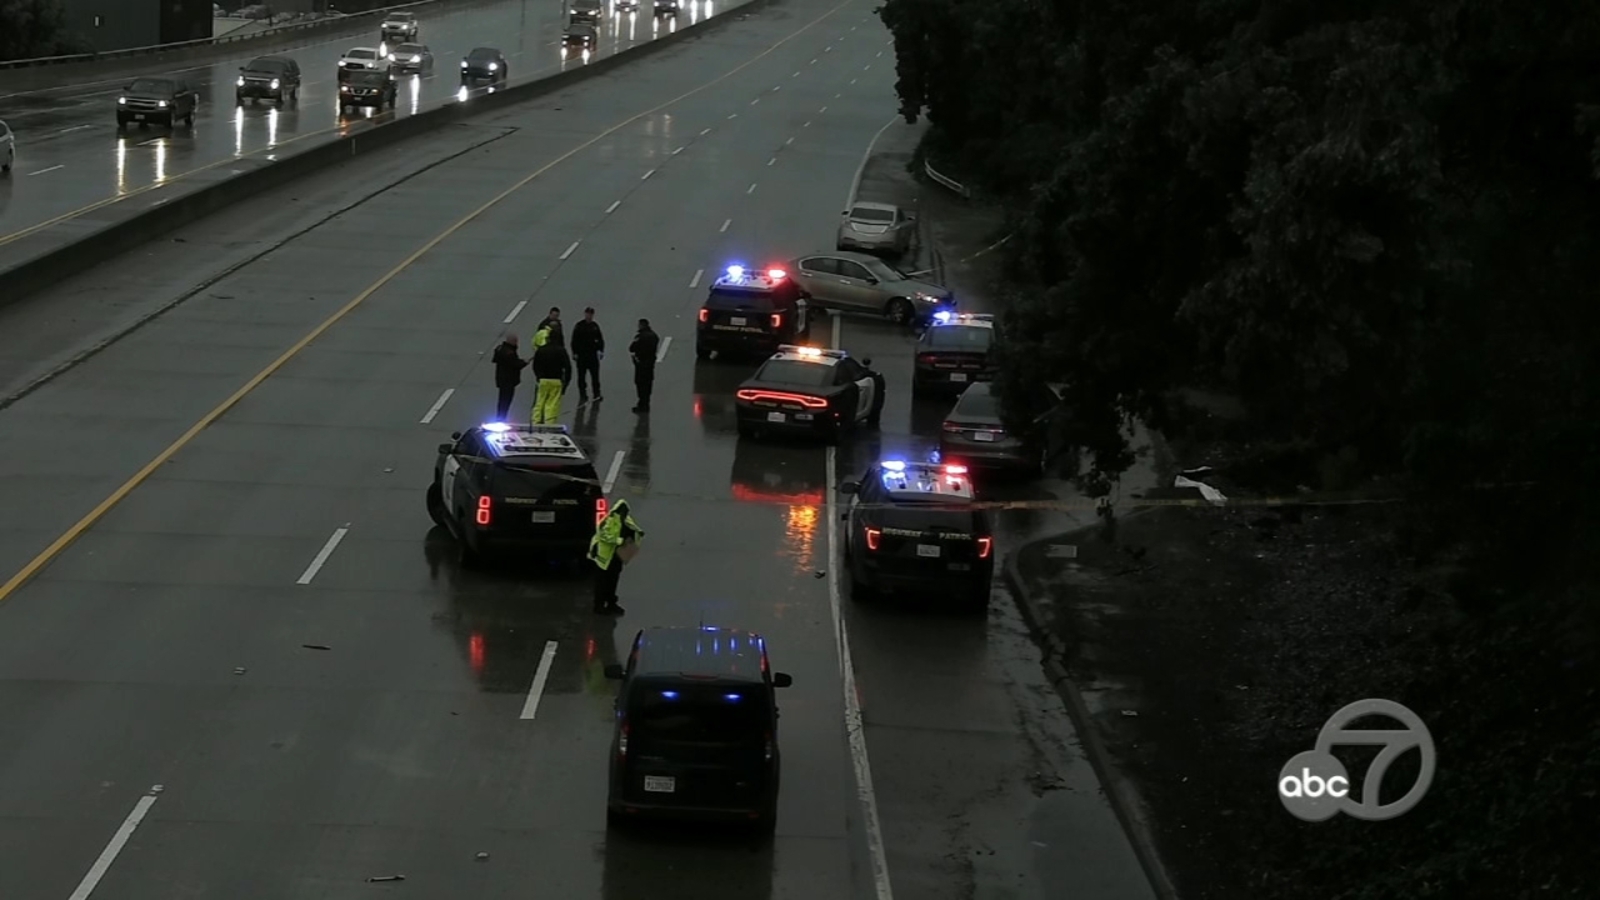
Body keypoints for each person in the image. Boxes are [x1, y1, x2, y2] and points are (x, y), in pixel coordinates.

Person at [588, 498, 643, 614]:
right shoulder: (609, 520)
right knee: (602, 582)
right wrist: (619, 541)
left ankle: (611, 603)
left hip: (616, 557)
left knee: (612, 580)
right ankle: (599, 605)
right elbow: (604, 534)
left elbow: (634, 529)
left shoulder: (626, 520)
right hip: (604, 557)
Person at [529, 325, 572, 424]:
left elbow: (535, 366)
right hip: (556, 380)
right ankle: (549, 423)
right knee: (553, 404)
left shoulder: (541, 350)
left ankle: (536, 421)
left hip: (543, 380)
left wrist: (538, 377)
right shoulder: (561, 351)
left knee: (539, 402)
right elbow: (568, 368)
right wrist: (565, 383)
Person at [571, 307, 605, 403]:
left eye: (591, 314)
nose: (589, 316)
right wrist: (574, 353)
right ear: (585, 314)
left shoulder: (595, 326)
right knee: (581, 376)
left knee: (595, 376)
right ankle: (583, 394)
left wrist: (601, 350)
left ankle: (596, 394)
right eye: (588, 314)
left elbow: (600, 339)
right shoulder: (579, 326)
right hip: (582, 356)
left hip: (592, 355)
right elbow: (574, 341)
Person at [491, 333, 526, 420]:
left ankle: (500, 416)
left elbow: (495, 359)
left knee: (502, 400)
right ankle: (501, 418)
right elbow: (515, 364)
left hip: (501, 378)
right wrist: (524, 362)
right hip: (509, 380)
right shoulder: (509, 352)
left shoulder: (500, 349)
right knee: (506, 401)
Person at [629, 318, 660, 413]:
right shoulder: (654, 336)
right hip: (650, 364)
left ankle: (642, 404)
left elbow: (631, 348)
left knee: (640, 383)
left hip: (641, 364)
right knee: (648, 383)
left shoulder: (640, 337)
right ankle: (646, 403)